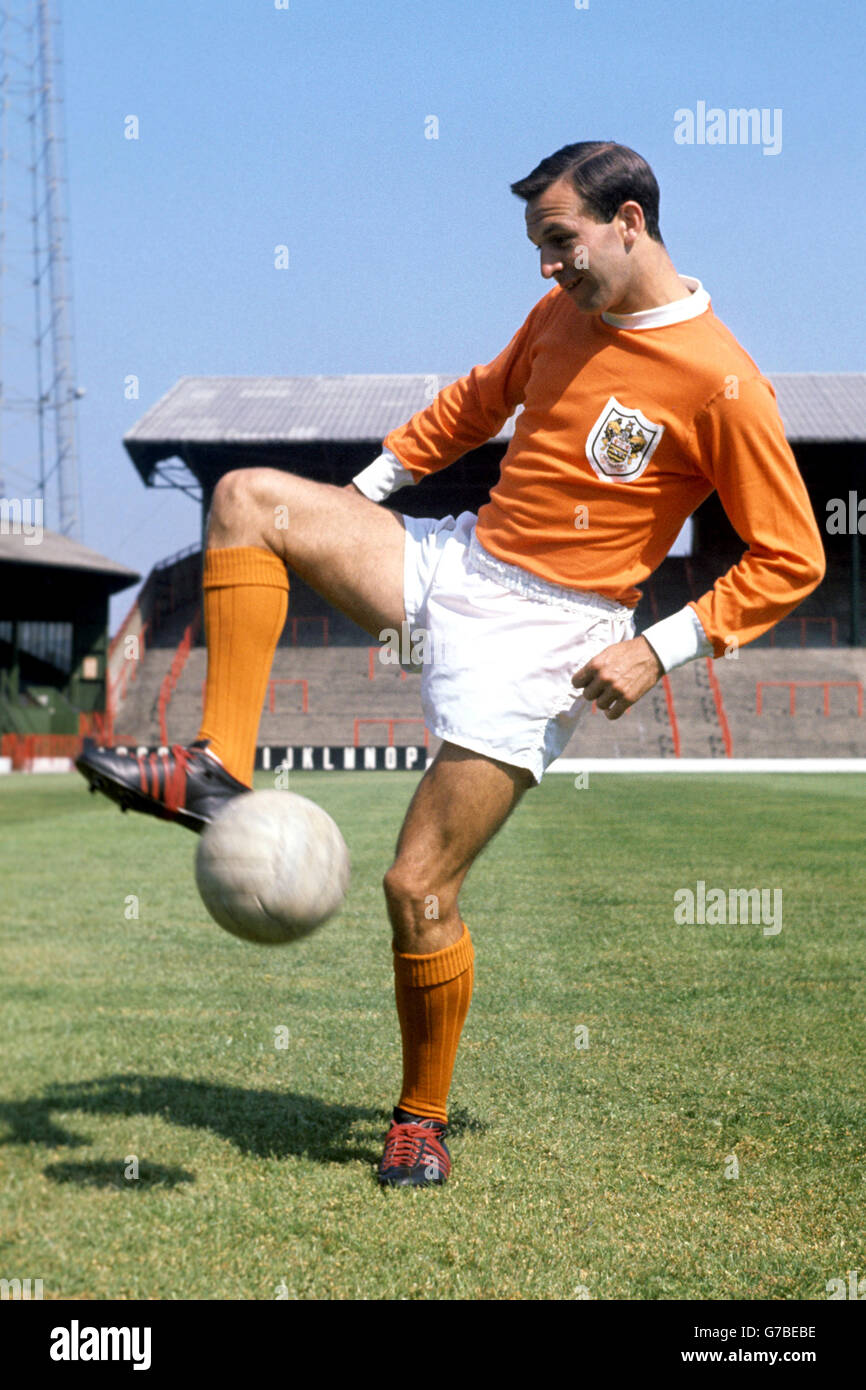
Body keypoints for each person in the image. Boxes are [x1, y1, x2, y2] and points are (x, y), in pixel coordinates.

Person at [77, 141, 825, 1188]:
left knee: (415, 886)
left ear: (630, 223)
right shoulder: (562, 315)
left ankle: (418, 1122)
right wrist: (362, 498)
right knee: (247, 497)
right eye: (536, 247)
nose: (545, 269)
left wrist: (655, 650)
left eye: (558, 242)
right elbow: (478, 402)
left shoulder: (720, 382)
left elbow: (792, 554)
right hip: (458, 560)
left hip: (551, 639)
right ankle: (216, 766)